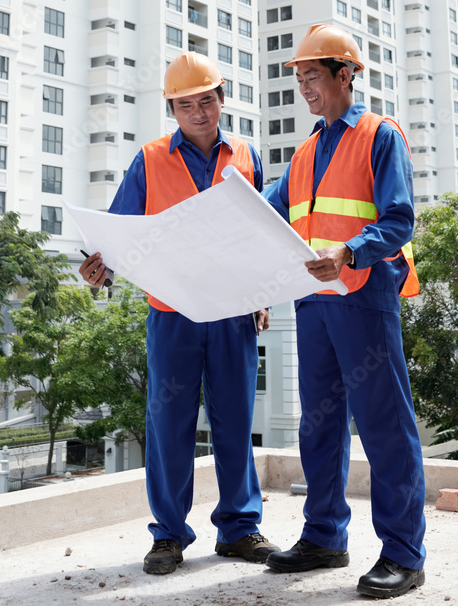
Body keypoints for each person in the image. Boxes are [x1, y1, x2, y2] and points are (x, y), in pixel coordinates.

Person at [81, 52, 279, 575]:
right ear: (172, 108)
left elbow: (260, 235)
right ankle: (168, 535)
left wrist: (262, 295)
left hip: (233, 309)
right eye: (185, 104)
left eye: (206, 101)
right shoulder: (148, 160)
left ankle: (239, 528)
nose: (198, 112)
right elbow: (120, 234)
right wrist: (101, 268)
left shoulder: (246, 156)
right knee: (169, 422)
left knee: (234, 419)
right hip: (171, 312)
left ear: (221, 100)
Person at [262, 24, 426, 599]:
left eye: (313, 75)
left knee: (384, 427)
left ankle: (404, 554)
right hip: (314, 304)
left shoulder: (380, 136)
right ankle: (325, 537)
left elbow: (400, 219)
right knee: (320, 425)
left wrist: (350, 250)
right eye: (299, 78)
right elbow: (267, 215)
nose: (305, 87)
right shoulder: (305, 151)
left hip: (364, 296)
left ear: (345, 74)